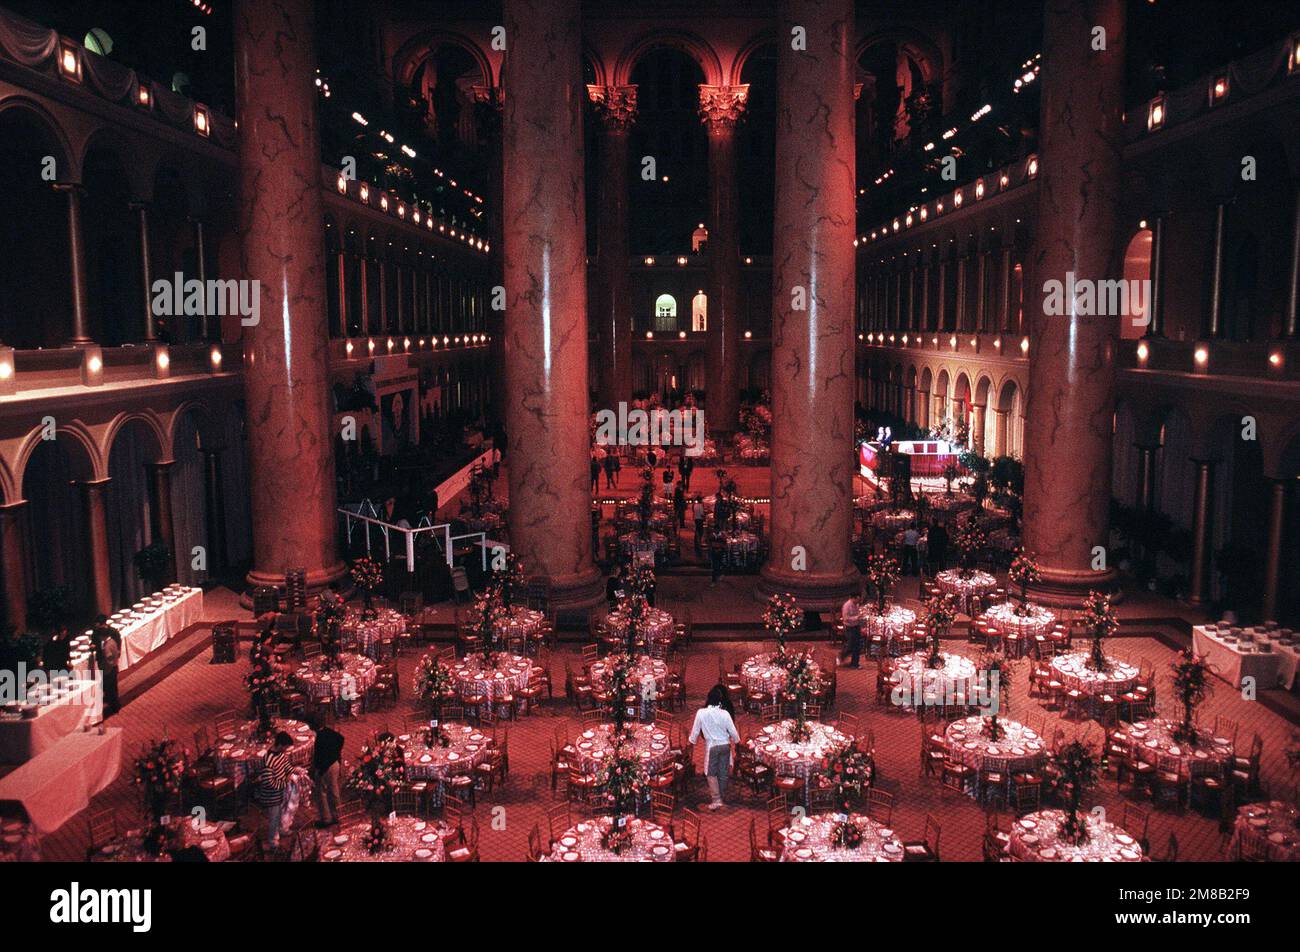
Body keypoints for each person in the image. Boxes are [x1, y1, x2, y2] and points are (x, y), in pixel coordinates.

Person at [689, 685, 740, 811]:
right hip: (725, 746)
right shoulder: (725, 713)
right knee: (723, 773)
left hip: (712, 746)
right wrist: (737, 741)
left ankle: (716, 800)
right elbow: (734, 733)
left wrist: (691, 742)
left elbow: (695, 733)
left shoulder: (701, 713)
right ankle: (721, 797)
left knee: (711, 774)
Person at [253, 732, 296, 850]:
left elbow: (286, 765)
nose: (287, 749)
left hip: (280, 792)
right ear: (281, 745)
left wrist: (293, 771)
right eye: (286, 747)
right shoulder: (269, 760)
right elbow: (268, 782)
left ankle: (281, 830)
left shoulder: (280, 754)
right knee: (274, 818)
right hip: (271, 796)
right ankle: (273, 841)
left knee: (281, 814)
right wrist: (285, 783)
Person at [309, 716, 345, 828]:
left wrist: (318, 771)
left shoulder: (319, 738)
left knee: (322, 793)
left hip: (326, 767)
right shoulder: (329, 731)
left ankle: (326, 819)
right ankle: (339, 815)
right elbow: (341, 739)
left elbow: (319, 758)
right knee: (334, 790)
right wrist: (336, 753)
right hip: (335, 764)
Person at [91, 617, 121, 717]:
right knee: (112, 685)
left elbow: (109, 657)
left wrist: (108, 664)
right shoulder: (108, 639)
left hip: (108, 667)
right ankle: (114, 704)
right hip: (112, 666)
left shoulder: (107, 643)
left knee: (110, 687)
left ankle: (114, 706)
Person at [840, 590, 863, 668]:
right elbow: (845, 618)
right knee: (851, 645)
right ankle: (841, 656)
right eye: (858, 599)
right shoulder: (847, 606)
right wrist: (857, 617)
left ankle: (855, 663)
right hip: (850, 627)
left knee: (857, 646)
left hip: (856, 626)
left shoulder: (856, 604)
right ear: (854, 598)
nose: (859, 601)